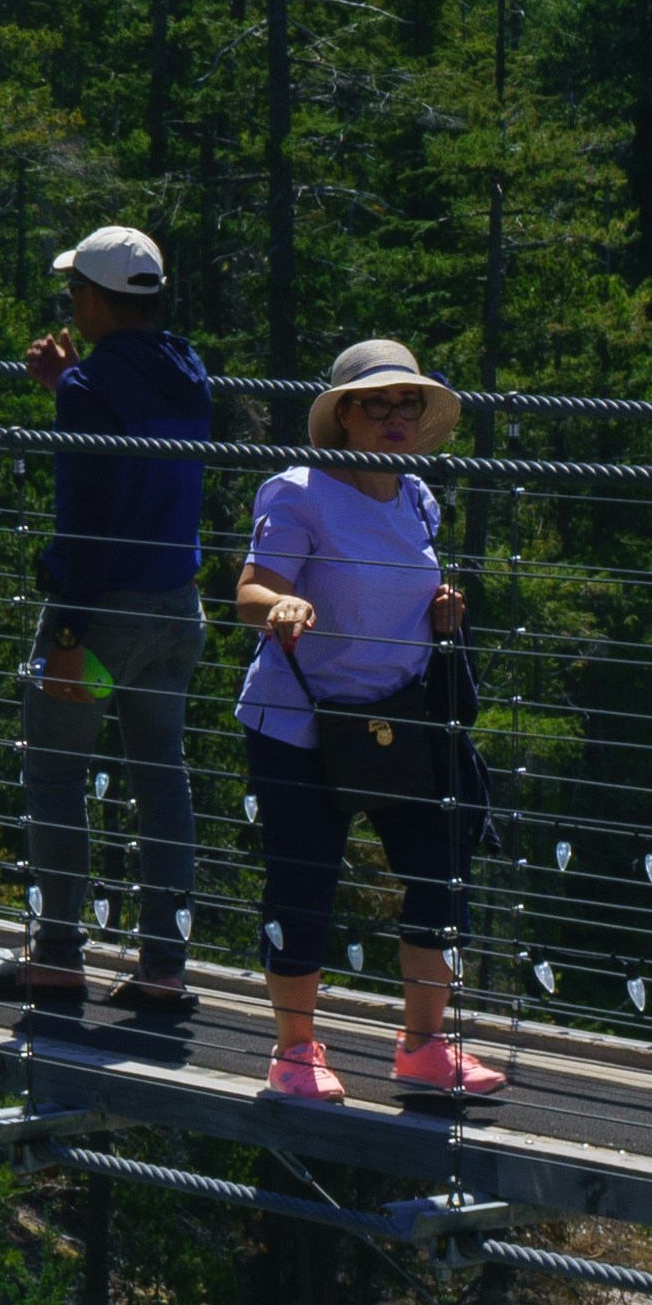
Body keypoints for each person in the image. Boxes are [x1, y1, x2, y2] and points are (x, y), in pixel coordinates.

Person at [0, 223, 225, 1018]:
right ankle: (163, 966)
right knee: (161, 779)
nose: (70, 303)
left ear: (96, 300)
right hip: (178, 610)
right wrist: (75, 388)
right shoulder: (190, 371)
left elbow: (82, 524)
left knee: (56, 775)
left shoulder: (89, 390)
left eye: (75, 291)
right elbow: (136, 430)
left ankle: (55, 959)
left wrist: (70, 638)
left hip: (103, 612)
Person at [236, 341, 496, 1100]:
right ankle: (294, 1052)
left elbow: (407, 583)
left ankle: (424, 1047)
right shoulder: (298, 492)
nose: (394, 417)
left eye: (407, 403)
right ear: (342, 414)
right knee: (303, 881)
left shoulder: (417, 496)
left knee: (441, 870)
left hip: (397, 720)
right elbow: (250, 590)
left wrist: (443, 609)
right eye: (375, 403)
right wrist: (279, 605)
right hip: (302, 723)